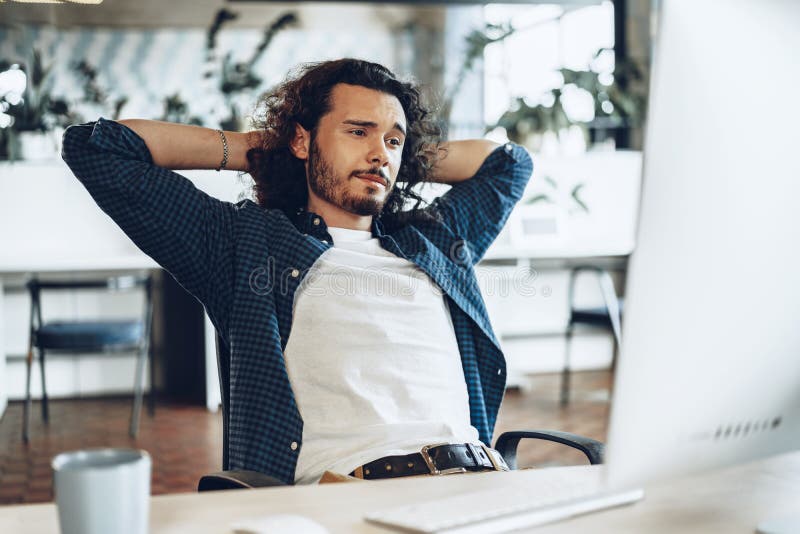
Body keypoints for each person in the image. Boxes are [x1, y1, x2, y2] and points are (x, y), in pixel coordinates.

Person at [61, 58, 533, 485]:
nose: (380, 153)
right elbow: (96, 148)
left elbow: (510, 166)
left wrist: (404, 161)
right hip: (354, 493)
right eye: (357, 131)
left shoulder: (432, 239)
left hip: (479, 479)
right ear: (303, 140)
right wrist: (260, 150)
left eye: (392, 138)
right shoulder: (241, 243)